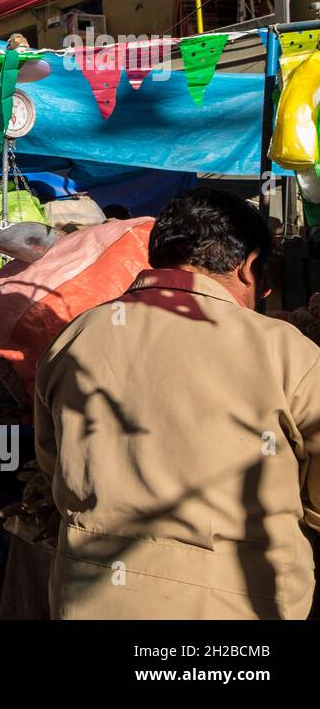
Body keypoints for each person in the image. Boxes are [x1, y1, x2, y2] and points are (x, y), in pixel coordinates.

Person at [36, 188, 320, 619]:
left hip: (88, 597)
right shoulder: (285, 351)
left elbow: (55, 463)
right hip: (232, 603)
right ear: (247, 267)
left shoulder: (75, 337)